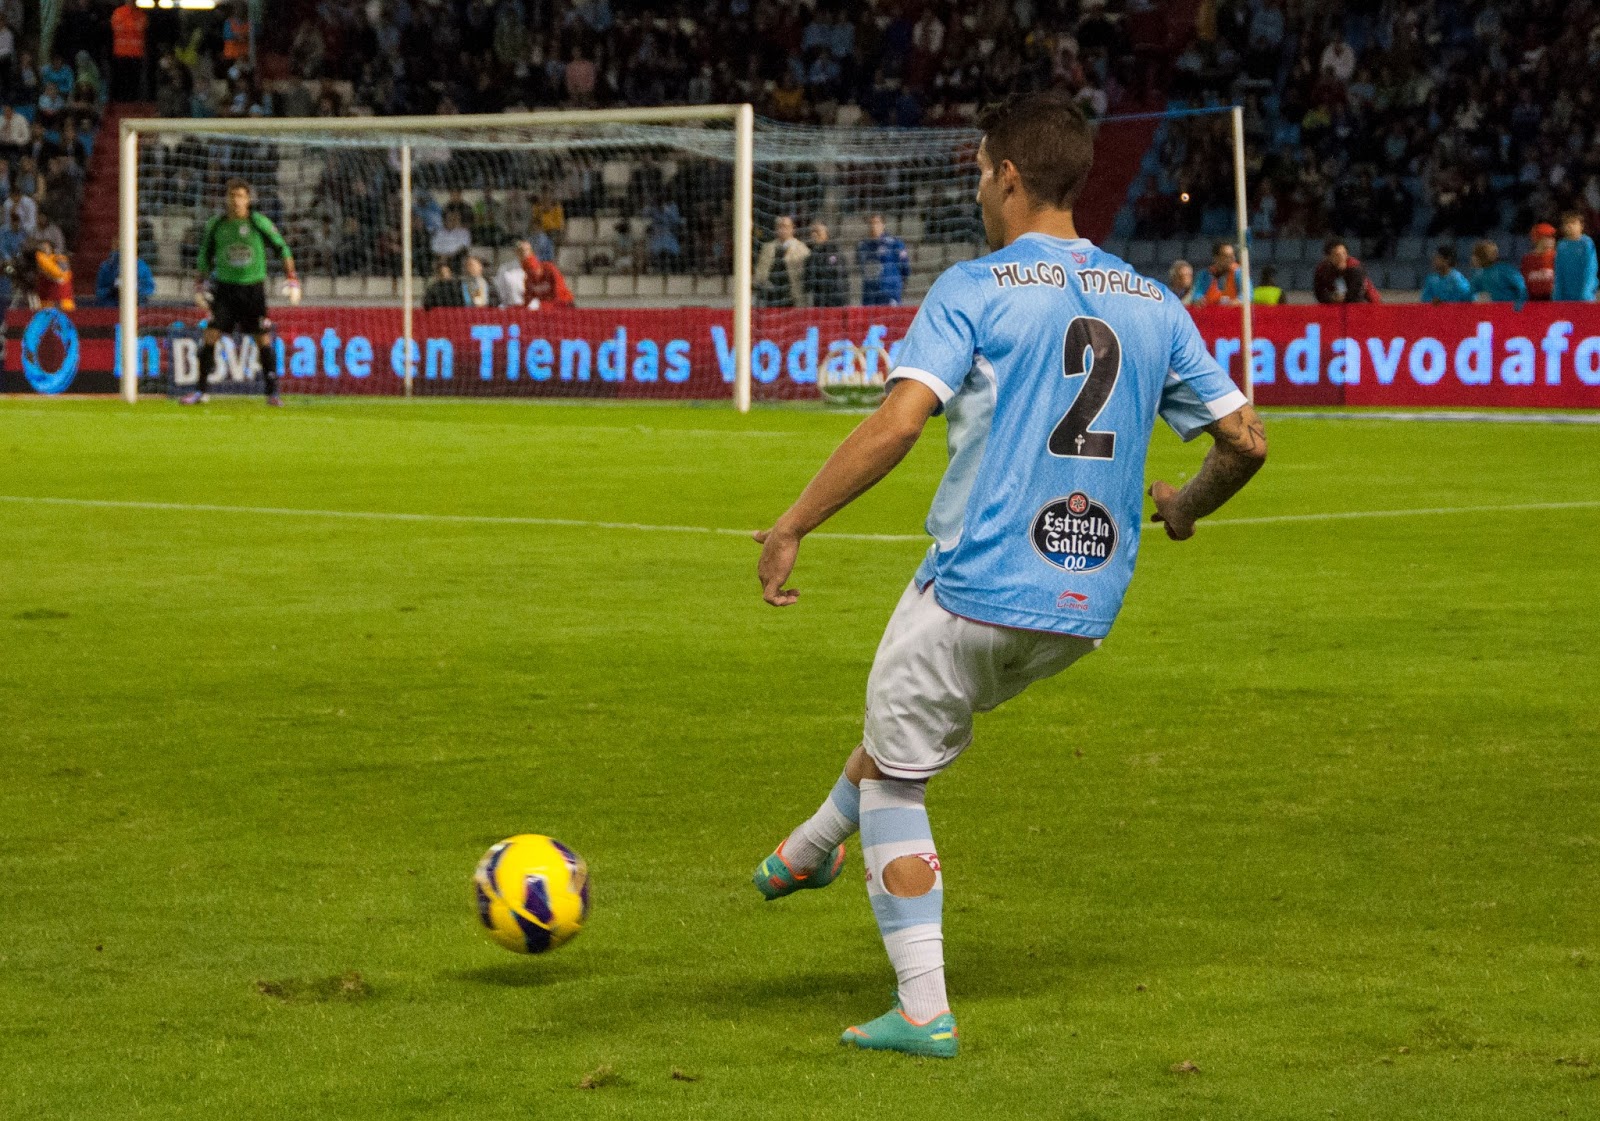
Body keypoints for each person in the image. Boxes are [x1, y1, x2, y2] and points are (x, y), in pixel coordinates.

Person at [749, 91, 1265, 1059]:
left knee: (899, 777)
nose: (979, 190)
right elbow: (1245, 439)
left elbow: (897, 423)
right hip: (1083, 608)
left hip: (973, 586)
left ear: (1011, 177)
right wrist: (1185, 504)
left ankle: (922, 1008)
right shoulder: (1154, 301)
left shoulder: (975, 287)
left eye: (983, 173)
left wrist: (792, 524)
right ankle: (808, 849)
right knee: (907, 727)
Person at [183, 178, 298, 406]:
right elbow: (205, 255)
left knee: (262, 339)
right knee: (210, 334)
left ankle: (272, 393)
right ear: (226, 199)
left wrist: (292, 279)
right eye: (232, 196)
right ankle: (200, 391)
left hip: (252, 289)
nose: (236, 201)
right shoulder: (217, 225)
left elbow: (281, 248)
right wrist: (199, 284)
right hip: (225, 290)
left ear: (248, 199)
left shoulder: (258, 222)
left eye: (241, 196)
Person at [756, 215, 810, 307]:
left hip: (792, 297)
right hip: (770, 296)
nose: (782, 229)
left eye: (786, 226)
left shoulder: (801, 248)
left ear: (792, 229)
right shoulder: (767, 248)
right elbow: (760, 270)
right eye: (780, 226)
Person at [857, 213, 910, 305]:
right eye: (871, 223)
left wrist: (897, 285)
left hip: (889, 292)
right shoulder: (863, 246)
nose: (874, 226)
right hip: (869, 294)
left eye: (877, 223)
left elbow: (905, 268)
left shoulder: (894, 243)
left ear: (883, 225)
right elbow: (862, 268)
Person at [1312, 238, 1378, 304]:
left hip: (1368, 303)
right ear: (1328, 257)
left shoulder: (1355, 268)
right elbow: (1319, 293)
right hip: (1337, 303)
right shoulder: (1322, 270)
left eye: (1344, 253)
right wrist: (1331, 298)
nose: (1342, 257)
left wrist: (1341, 299)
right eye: (1337, 255)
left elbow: (1356, 295)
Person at [1553, 211, 1598, 302]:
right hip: (1566, 294)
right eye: (1566, 223)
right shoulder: (1561, 245)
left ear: (1581, 226)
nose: (1569, 226)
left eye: (1573, 223)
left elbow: (1590, 269)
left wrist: (1586, 292)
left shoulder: (1586, 244)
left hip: (1584, 294)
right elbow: (1558, 270)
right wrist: (1557, 294)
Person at [1469, 241, 1527, 310]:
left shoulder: (1505, 270)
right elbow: (1471, 294)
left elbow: (1522, 288)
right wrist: (1476, 298)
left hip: (1508, 311)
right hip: (1489, 312)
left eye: (1475, 255)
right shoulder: (1478, 275)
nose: (1472, 258)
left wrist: (1518, 307)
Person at [804, 220, 849, 307]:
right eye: (812, 231)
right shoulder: (810, 256)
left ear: (826, 233)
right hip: (819, 304)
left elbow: (840, 279)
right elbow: (808, 282)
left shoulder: (835, 252)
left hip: (835, 303)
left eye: (817, 231)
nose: (814, 234)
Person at [110, 0, 148, 100]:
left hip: (136, 53)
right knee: (121, 80)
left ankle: (133, 99)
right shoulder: (118, 13)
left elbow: (142, 28)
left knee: (134, 81)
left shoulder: (141, 14)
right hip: (121, 52)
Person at [519, 239, 574, 307]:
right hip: (545, 308)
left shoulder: (550, 269)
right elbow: (527, 301)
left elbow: (559, 293)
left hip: (565, 304)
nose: (533, 272)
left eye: (534, 269)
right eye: (529, 270)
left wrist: (543, 305)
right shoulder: (528, 280)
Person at [31, 236, 73, 310]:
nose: (43, 249)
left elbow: (60, 276)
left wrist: (41, 259)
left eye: (46, 247)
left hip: (63, 304)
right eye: (41, 248)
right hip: (45, 304)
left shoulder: (60, 259)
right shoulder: (38, 263)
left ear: (52, 249)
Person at [1197, 241, 1243, 306]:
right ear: (1216, 258)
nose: (1232, 259)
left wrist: (1238, 301)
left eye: (1232, 255)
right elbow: (1197, 294)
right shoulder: (1206, 274)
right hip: (1211, 310)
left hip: (1232, 311)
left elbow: (1247, 295)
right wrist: (1199, 300)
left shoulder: (1239, 273)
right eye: (1227, 256)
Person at [1521, 222, 1556, 301]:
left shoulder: (1556, 257)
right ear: (1538, 239)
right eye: (1548, 237)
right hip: (1532, 300)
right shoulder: (1527, 259)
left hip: (1552, 299)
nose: (1552, 240)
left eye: (1552, 237)